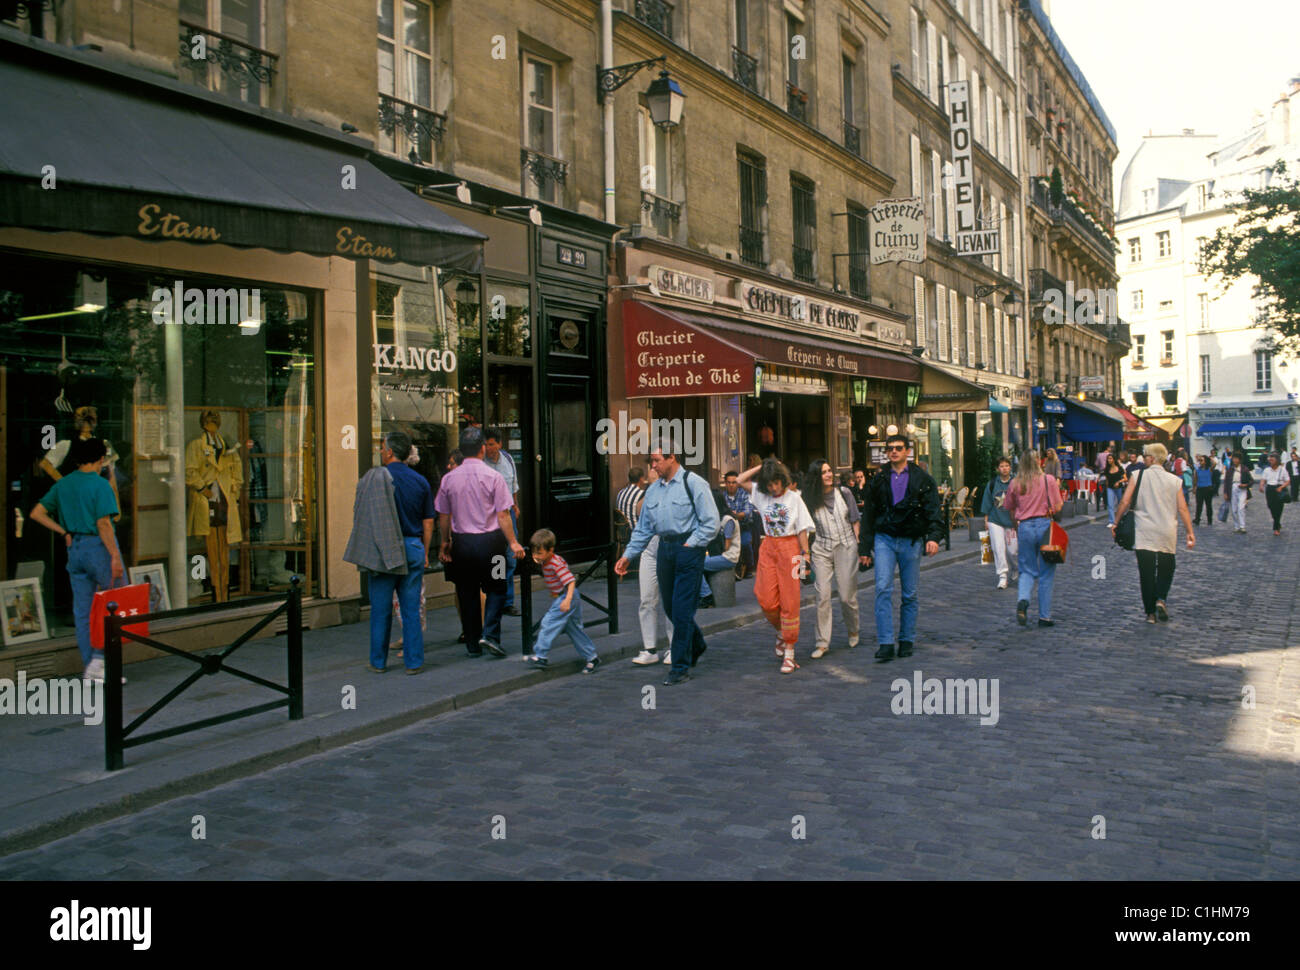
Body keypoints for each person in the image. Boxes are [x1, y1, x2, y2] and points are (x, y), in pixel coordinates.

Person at [614, 440, 719, 686]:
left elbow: (711, 522)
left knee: (682, 610)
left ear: (672, 458)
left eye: (656, 460)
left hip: (688, 549)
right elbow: (643, 529)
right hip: (665, 549)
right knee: (671, 609)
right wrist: (628, 555)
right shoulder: (652, 490)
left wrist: (692, 543)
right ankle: (698, 643)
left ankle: (680, 667)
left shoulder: (694, 483)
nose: (653, 465)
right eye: (651, 461)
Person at [28, 437, 124, 681]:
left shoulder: (64, 484)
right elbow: (104, 523)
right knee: (112, 604)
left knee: (82, 610)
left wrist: (64, 531)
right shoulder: (100, 485)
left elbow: (36, 513)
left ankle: (90, 664)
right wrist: (114, 555)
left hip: (75, 548)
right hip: (99, 548)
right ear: (101, 459)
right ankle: (102, 661)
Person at [342, 431, 433, 674]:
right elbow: (428, 523)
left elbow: (365, 516)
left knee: (380, 609)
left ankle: (378, 661)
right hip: (413, 546)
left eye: (382, 448)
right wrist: (424, 551)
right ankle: (414, 662)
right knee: (411, 608)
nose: (381, 452)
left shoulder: (375, 479)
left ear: (390, 452)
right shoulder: (420, 481)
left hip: (384, 548)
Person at [436, 427, 526, 658]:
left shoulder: (448, 479)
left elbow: (443, 516)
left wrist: (445, 541)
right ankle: (491, 634)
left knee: (467, 592)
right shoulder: (493, 477)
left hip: (463, 544)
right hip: (492, 543)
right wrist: (514, 542)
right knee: (497, 587)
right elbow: (504, 515)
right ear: (482, 448)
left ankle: (473, 643)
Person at [860, 434, 944, 662]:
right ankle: (886, 643)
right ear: (886, 453)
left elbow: (934, 510)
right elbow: (868, 514)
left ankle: (906, 639)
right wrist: (864, 549)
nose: (894, 452)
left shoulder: (922, 478)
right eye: (890, 449)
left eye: (898, 448)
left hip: (911, 540)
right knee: (882, 589)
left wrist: (934, 537)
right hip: (885, 538)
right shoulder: (878, 480)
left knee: (910, 593)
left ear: (907, 451)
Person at [736, 458, 814, 674]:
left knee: (790, 599)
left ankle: (789, 652)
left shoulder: (795, 499)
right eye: (768, 484)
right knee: (765, 598)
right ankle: (781, 631)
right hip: (768, 547)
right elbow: (740, 479)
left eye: (776, 482)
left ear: (782, 479)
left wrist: (805, 554)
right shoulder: (761, 495)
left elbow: (802, 528)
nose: (773, 488)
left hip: (790, 548)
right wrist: (764, 466)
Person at [1110, 443, 1195, 623]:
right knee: (1167, 567)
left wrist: (1115, 522)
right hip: (1166, 531)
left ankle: (1150, 613)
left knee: (1146, 572)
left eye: (1146, 456)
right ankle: (1161, 599)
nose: (1144, 458)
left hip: (1144, 531)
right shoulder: (1174, 480)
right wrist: (1189, 531)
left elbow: (1125, 501)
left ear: (1152, 458)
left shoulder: (1138, 475)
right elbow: (1183, 508)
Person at [805, 459, 866, 659]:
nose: (829, 475)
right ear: (817, 476)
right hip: (822, 548)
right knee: (822, 595)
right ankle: (822, 642)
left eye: (830, 470)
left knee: (847, 596)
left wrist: (858, 545)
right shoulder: (810, 499)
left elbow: (855, 519)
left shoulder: (844, 493)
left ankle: (853, 629)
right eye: (824, 472)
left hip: (846, 545)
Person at [525, 528, 600, 673]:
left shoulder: (555, 563)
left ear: (551, 550)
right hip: (564, 597)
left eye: (539, 553)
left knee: (548, 622)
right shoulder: (545, 560)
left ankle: (541, 656)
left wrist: (567, 600)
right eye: (534, 552)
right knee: (574, 630)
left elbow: (571, 581)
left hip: (566, 596)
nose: (536, 556)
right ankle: (592, 657)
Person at [1002, 451, 1063, 628]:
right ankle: (1044, 616)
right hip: (1044, 525)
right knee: (1046, 574)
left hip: (1025, 527)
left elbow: (1010, 508)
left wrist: (1016, 526)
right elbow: (1058, 505)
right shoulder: (1048, 480)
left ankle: (1023, 599)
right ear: (1038, 462)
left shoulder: (1015, 483)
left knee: (1026, 570)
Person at [628, 462, 675, 666]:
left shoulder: (676, 489)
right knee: (647, 598)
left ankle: (675, 647)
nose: (654, 469)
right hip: (650, 548)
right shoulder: (649, 493)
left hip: (668, 545)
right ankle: (650, 648)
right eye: (652, 467)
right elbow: (640, 511)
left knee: (670, 600)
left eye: (657, 465)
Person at [482, 429, 522, 617]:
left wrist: (515, 504)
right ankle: (494, 599)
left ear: (499, 444)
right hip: (489, 515)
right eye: (486, 444)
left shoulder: (508, 459)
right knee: (494, 558)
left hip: (507, 512)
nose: (489, 448)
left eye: (492, 444)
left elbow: (513, 483)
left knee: (509, 555)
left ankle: (508, 601)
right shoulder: (480, 462)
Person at [980, 456, 1019, 589]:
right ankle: (1002, 576)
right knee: (998, 548)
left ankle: (1015, 567)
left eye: (1007, 466)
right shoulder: (992, 484)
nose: (1004, 468)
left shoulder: (1016, 482)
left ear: (1010, 468)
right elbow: (987, 502)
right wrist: (986, 520)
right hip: (995, 520)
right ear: (998, 469)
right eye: (1002, 466)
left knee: (1012, 550)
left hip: (1011, 521)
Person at [702, 488, 742, 581]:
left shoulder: (728, 520)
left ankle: (705, 593)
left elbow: (726, 547)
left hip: (728, 557)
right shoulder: (718, 518)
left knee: (696, 565)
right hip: (720, 554)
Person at [722, 470, 755, 579]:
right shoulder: (722, 496)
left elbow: (746, 512)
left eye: (734, 482)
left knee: (745, 543)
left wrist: (733, 515)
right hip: (727, 528)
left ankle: (750, 568)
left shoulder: (744, 494)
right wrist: (733, 515)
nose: (731, 485)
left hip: (743, 526)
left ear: (738, 483)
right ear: (725, 483)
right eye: (729, 482)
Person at [1257, 452, 1291, 535]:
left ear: (1277, 461)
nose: (1270, 461)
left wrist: (1281, 487)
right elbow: (1263, 479)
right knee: (1271, 507)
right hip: (1270, 489)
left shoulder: (1282, 470)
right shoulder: (1267, 470)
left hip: (1279, 489)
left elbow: (1288, 481)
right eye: (1270, 460)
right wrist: (1261, 486)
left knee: (1278, 508)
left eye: (1272, 460)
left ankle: (1276, 528)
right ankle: (1277, 523)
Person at [614, 466, 646, 553]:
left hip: (622, 532)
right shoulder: (641, 494)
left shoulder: (620, 492)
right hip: (634, 532)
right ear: (641, 479)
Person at [1223, 451, 1253, 533]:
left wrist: (1245, 485)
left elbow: (1251, 480)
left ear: (1240, 460)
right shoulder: (1230, 469)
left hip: (1242, 488)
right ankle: (1236, 526)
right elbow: (1226, 481)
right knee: (1234, 509)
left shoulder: (1244, 469)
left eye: (1236, 459)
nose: (1235, 460)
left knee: (1241, 507)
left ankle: (1242, 526)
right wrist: (1225, 492)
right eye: (1234, 458)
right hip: (1232, 488)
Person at [1102, 453, 1127, 527]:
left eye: (1110, 458)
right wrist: (1106, 488)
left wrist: (1118, 482)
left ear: (1113, 459)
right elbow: (1107, 479)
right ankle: (1111, 521)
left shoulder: (1119, 468)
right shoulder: (1107, 469)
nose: (1109, 460)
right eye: (1108, 459)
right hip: (1110, 488)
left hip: (1118, 488)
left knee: (1120, 504)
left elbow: (1125, 478)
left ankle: (1121, 519)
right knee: (1110, 505)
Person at [1193, 455, 1217, 526]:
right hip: (1200, 489)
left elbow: (1215, 463)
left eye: (1202, 460)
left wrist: (1210, 458)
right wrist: (1194, 487)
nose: (1200, 462)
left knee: (1208, 505)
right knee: (1199, 505)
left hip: (1208, 489)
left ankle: (1209, 519)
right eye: (1200, 460)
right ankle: (1197, 519)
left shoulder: (1209, 469)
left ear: (1205, 461)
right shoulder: (1197, 470)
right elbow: (1195, 479)